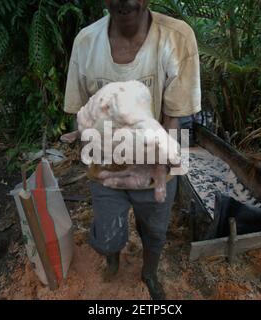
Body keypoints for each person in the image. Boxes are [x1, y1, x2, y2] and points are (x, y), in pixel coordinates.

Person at [63, 0, 201, 299]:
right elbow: (81, 111)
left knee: (154, 231)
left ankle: (149, 272)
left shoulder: (177, 37)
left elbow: (174, 115)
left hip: (155, 165)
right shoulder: (86, 42)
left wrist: (160, 165)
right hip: (105, 166)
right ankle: (112, 258)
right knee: (109, 231)